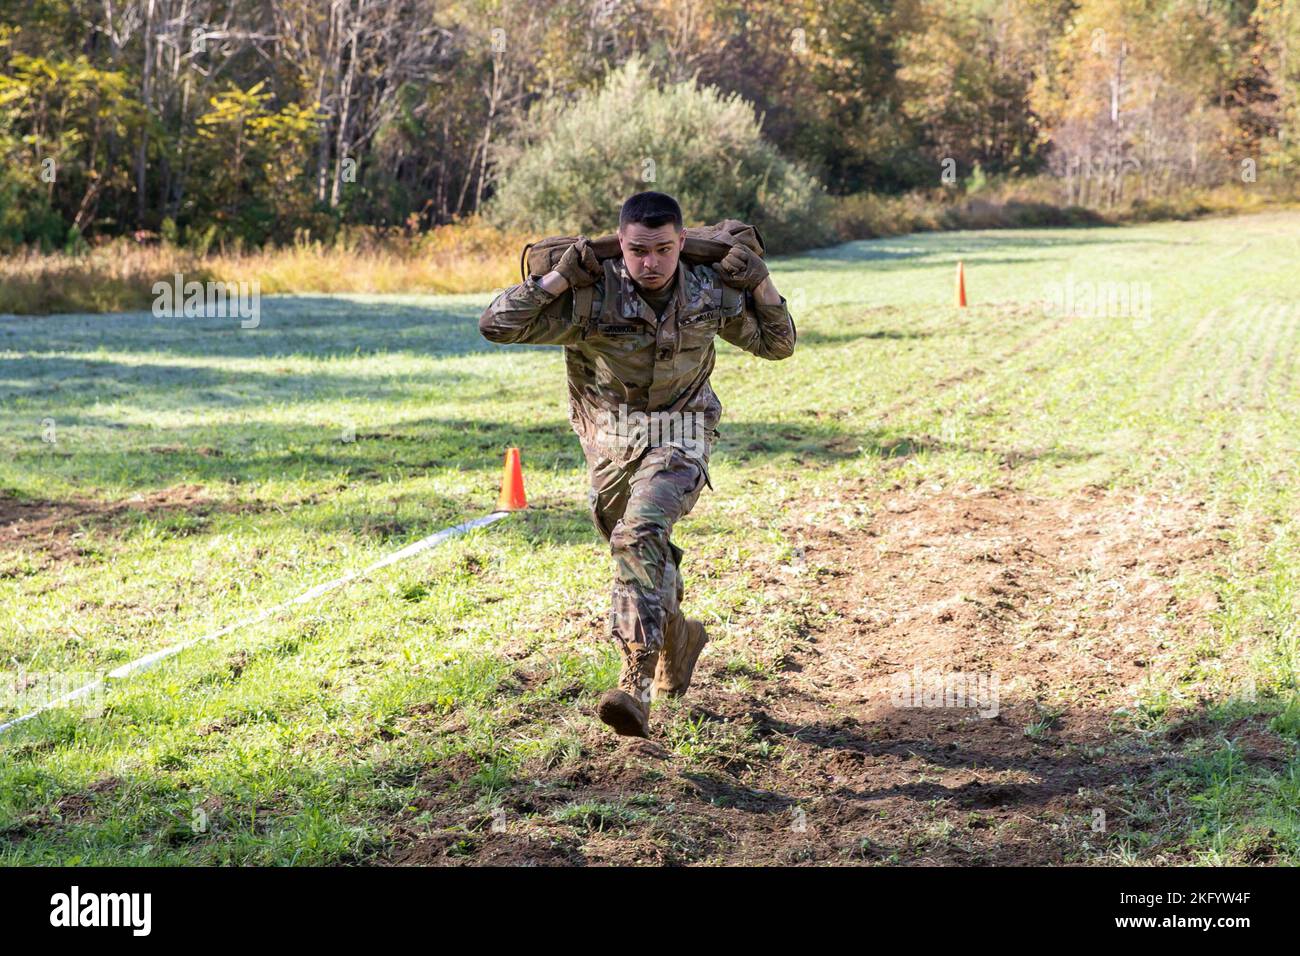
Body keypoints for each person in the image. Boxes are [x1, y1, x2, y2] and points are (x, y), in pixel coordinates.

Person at [478, 191, 796, 737]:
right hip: (612, 443)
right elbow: (496, 326)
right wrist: (557, 280)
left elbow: (778, 343)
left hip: (683, 434)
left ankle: (635, 683)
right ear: (620, 244)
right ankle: (678, 635)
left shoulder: (708, 288)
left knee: (638, 534)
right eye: (637, 251)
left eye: (664, 250)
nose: (650, 264)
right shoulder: (589, 294)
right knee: (639, 553)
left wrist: (760, 283)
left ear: (680, 244)